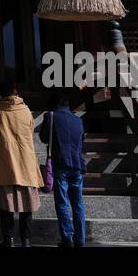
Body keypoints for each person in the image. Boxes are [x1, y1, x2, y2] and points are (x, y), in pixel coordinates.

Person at [0, 78, 42, 247]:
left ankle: (8, 239)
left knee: (5, 205)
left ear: (0, 94)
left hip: (4, 163)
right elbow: (30, 130)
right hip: (25, 163)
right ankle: (26, 240)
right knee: (27, 205)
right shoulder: (26, 111)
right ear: (15, 93)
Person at [42, 91, 87, 246]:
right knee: (78, 203)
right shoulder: (78, 120)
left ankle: (67, 238)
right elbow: (82, 142)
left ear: (54, 104)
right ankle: (80, 239)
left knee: (62, 202)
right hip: (78, 165)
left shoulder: (51, 116)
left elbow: (43, 137)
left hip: (60, 164)